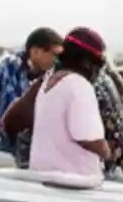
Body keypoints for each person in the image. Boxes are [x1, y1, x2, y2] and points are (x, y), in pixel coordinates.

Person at [28, 28, 112, 179]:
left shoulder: (48, 83)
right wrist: (107, 151)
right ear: (86, 62)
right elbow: (87, 137)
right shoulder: (78, 85)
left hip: (45, 177)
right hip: (72, 183)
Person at [0, 28, 63, 156]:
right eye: (54, 55)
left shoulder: (48, 73)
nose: (57, 60)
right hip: (2, 146)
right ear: (35, 51)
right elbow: (10, 116)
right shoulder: (10, 68)